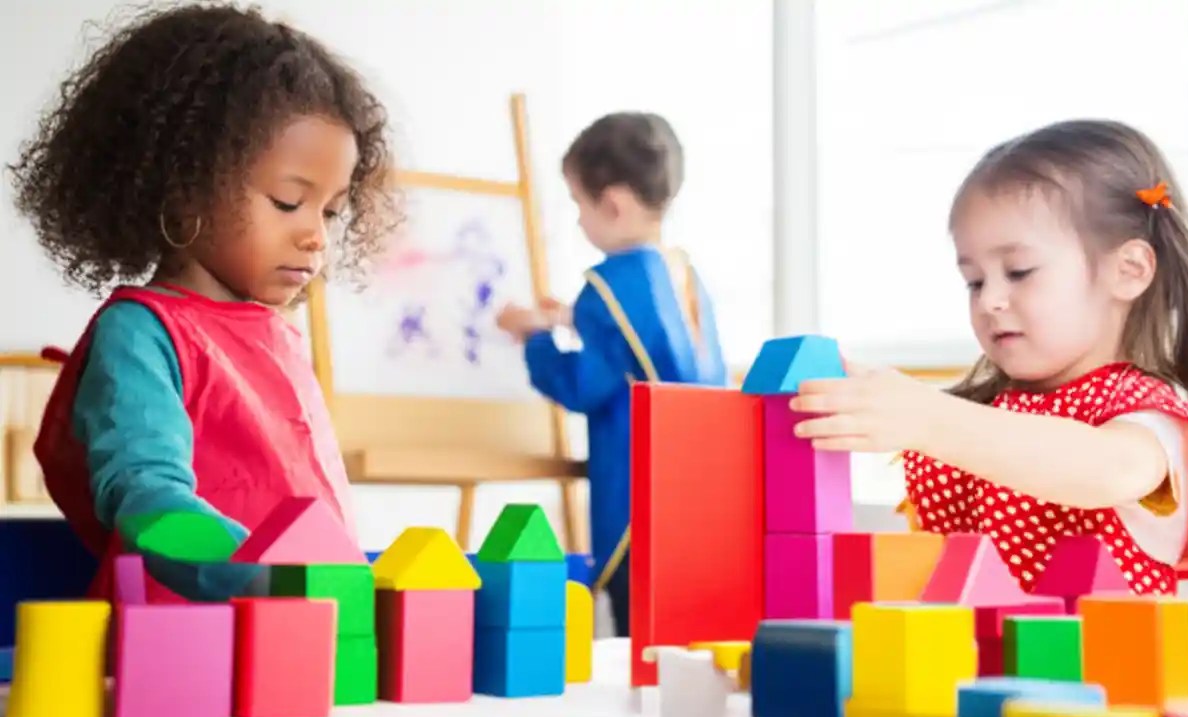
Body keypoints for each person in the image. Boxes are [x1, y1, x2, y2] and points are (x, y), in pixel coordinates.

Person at [8, 4, 401, 601]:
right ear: (187, 186)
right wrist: (265, 581)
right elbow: (148, 501)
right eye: (289, 202)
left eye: (331, 211)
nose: (317, 236)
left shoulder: (277, 335)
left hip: (297, 644)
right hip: (186, 650)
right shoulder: (141, 333)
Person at [791, 120, 1188, 620]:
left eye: (1019, 272)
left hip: (1103, 690)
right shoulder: (986, 415)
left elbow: (1104, 468)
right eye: (973, 281)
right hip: (971, 683)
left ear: (1129, 270)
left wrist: (926, 417)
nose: (989, 300)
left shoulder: (1150, 420)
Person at [496, 112, 727, 635]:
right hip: (697, 492)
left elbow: (584, 385)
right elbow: (654, 347)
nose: (578, 220)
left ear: (614, 204)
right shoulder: (683, 274)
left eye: (579, 204)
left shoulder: (604, 285)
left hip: (636, 497)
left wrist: (534, 338)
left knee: (635, 635)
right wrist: (569, 316)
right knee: (683, 636)